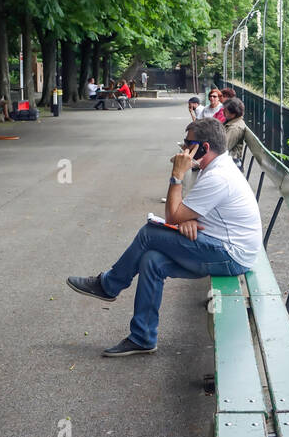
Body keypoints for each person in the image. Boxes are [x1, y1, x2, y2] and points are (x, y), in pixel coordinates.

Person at [66, 117, 262, 355]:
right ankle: (143, 337)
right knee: (152, 260)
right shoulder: (216, 168)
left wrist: (177, 176)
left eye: (187, 143)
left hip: (232, 255)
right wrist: (187, 219)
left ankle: (109, 284)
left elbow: (172, 215)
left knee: (149, 233)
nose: (182, 148)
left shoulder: (218, 176)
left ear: (204, 147)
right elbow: (181, 214)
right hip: (221, 246)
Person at [222, 97, 246, 167]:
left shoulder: (234, 128)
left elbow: (224, 148)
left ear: (233, 113)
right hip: (229, 158)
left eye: (225, 110)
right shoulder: (232, 121)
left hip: (231, 161)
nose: (223, 112)